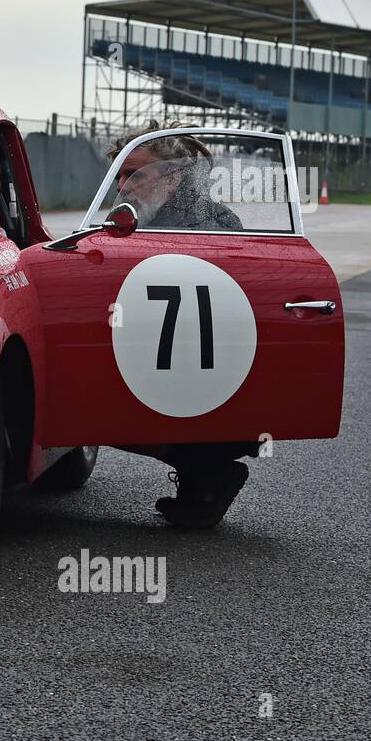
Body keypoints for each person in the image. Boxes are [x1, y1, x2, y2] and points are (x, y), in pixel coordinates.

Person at [106, 120, 255, 527]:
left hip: (207, 364)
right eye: (119, 174)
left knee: (105, 405)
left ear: (171, 176)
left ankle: (205, 467)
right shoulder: (132, 219)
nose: (123, 184)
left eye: (134, 173)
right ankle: (202, 477)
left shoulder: (210, 222)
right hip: (162, 351)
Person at [108, 121, 243, 230]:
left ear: (171, 178)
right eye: (118, 178)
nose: (120, 186)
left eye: (135, 176)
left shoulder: (202, 227)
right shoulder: (141, 221)